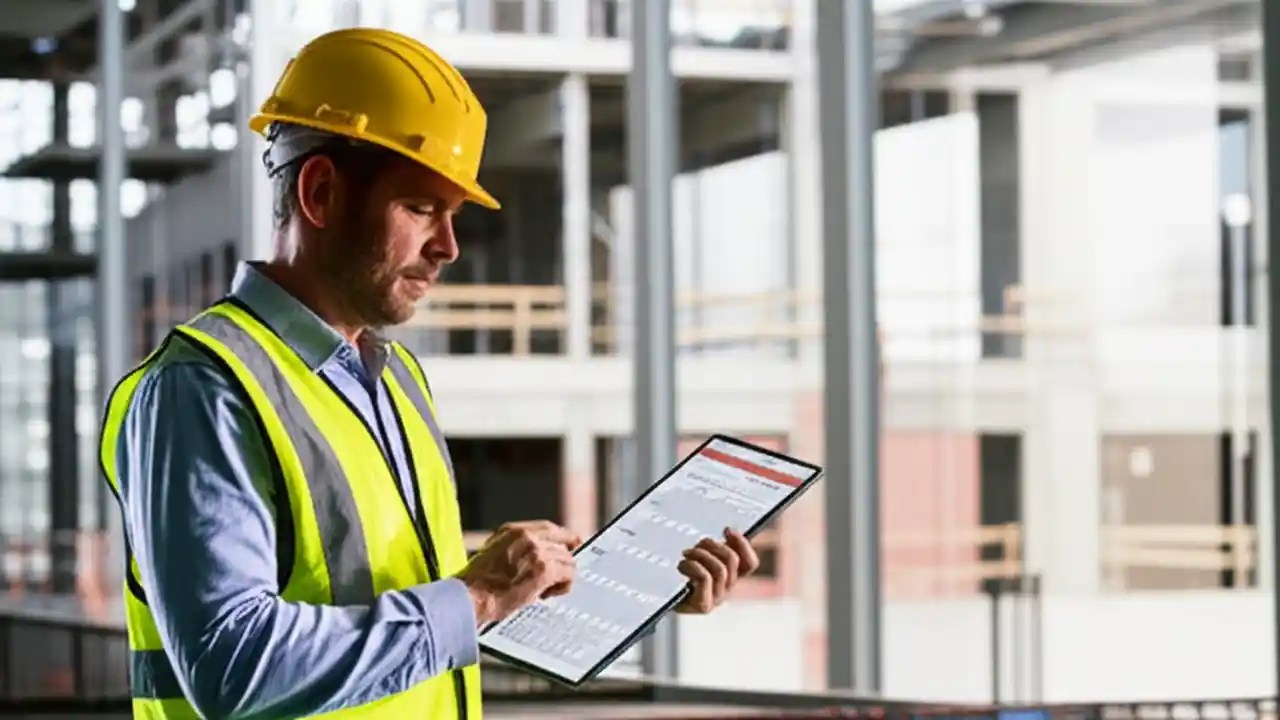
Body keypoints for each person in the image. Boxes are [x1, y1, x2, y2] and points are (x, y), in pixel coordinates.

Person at [98, 27, 761, 720]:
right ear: (320, 193)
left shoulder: (395, 378)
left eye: (452, 216)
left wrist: (638, 591)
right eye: (420, 208)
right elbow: (232, 664)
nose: (447, 247)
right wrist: (480, 595)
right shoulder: (203, 389)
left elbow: (424, 621)